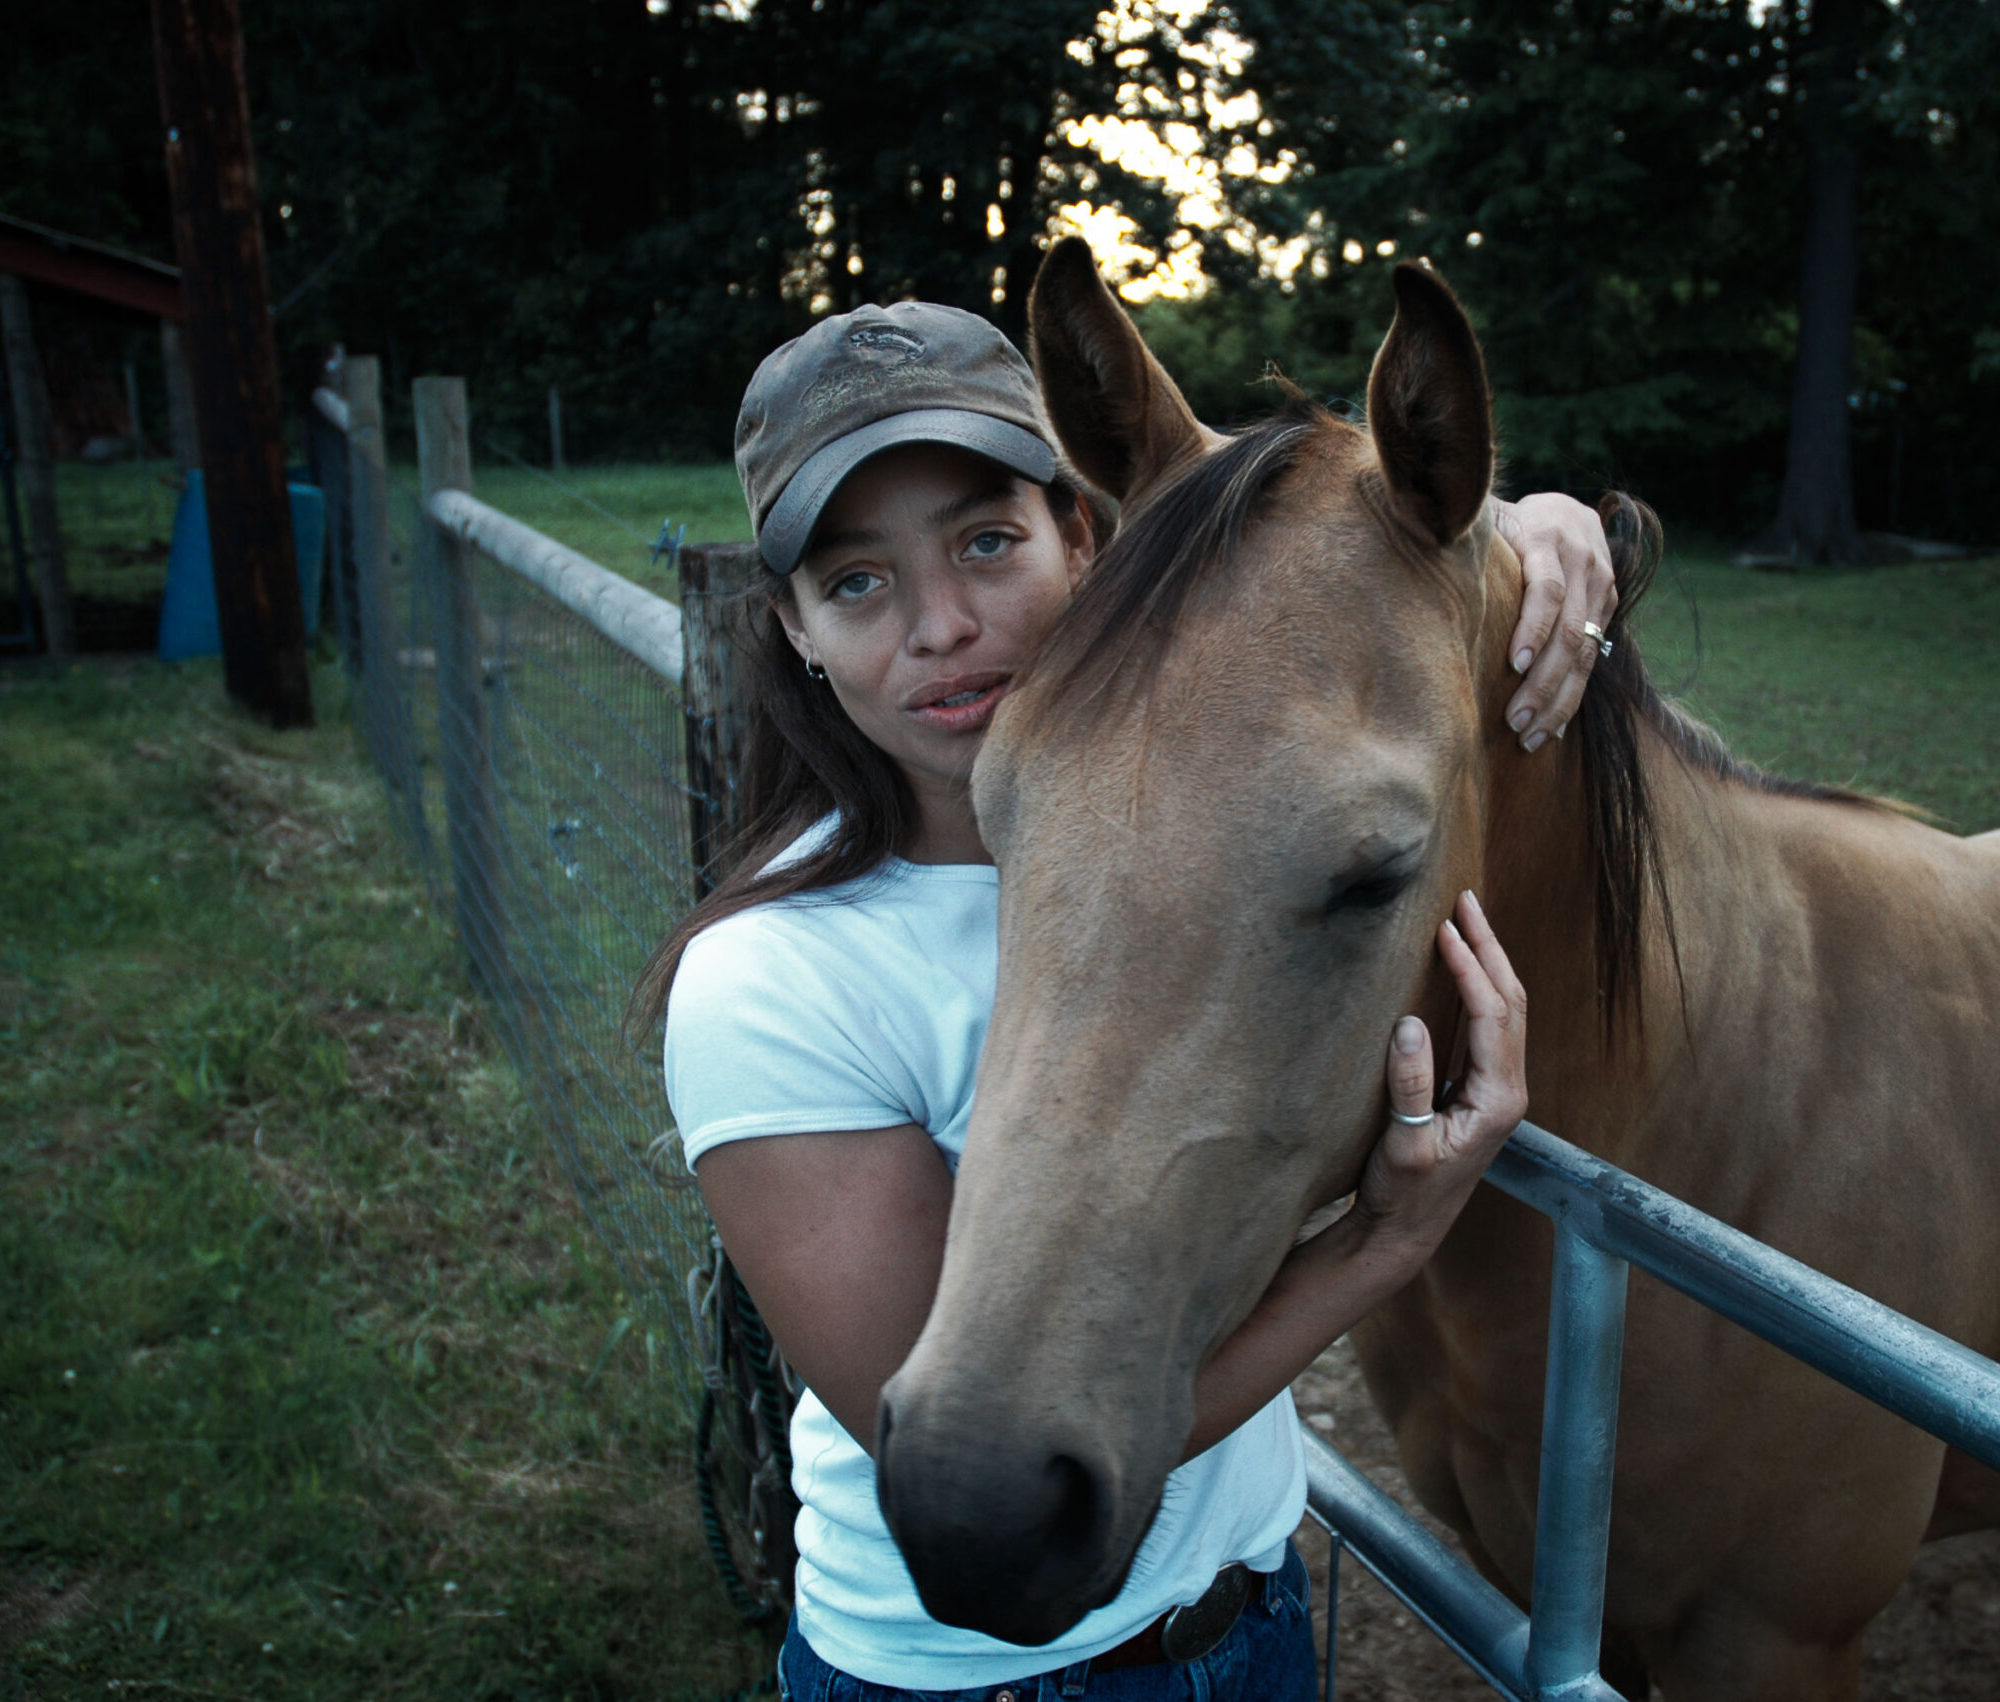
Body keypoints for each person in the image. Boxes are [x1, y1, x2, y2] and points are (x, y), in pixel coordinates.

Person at [650, 296, 1616, 1702]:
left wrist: (1531, 525)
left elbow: (1314, 564)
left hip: (1246, 1615)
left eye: (988, 541)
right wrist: (1383, 1245)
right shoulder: (770, 976)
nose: (942, 624)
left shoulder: (1175, 840)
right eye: (857, 583)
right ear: (791, 625)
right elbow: (983, 1471)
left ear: (1087, 534)